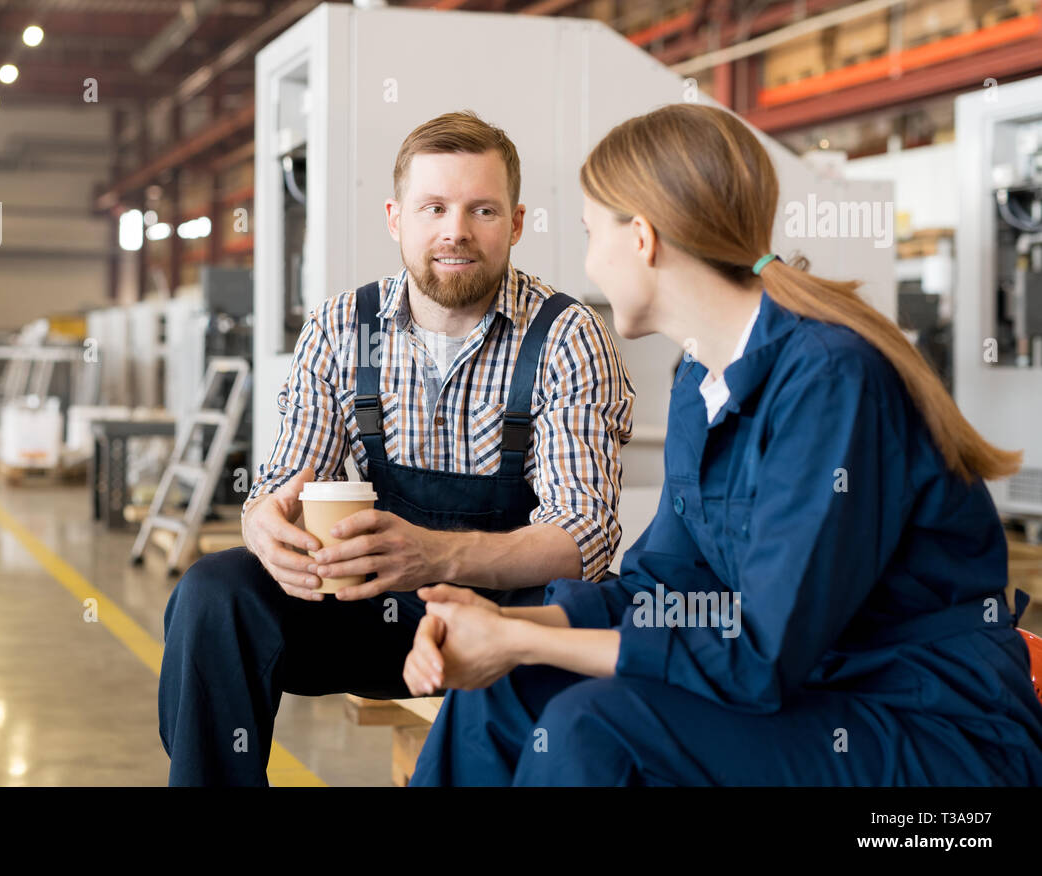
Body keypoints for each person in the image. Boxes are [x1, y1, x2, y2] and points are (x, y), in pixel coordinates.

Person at [404, 103, 1042, 786]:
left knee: (591, 728)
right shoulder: (699, 381)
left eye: (593, 234)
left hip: (925, 721)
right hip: (816, 691)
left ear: (643, 238)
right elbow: (667, 585)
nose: (588, 262)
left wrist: (522, 638)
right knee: (500, 693)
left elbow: (762, 654)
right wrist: (504, 624)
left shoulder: (830, 379)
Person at [158, 110, 635, 786]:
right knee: (214, 592)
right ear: (395, 217)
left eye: (483, 210)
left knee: (591, 670)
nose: (455, 231)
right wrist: (263, 520)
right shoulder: (340, 327)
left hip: (511, 624)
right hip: (375, 616)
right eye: (433, 207)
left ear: (518, 223)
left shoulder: (566, 336)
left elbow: (584, 540)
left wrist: (436, 554)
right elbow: (286, 480)